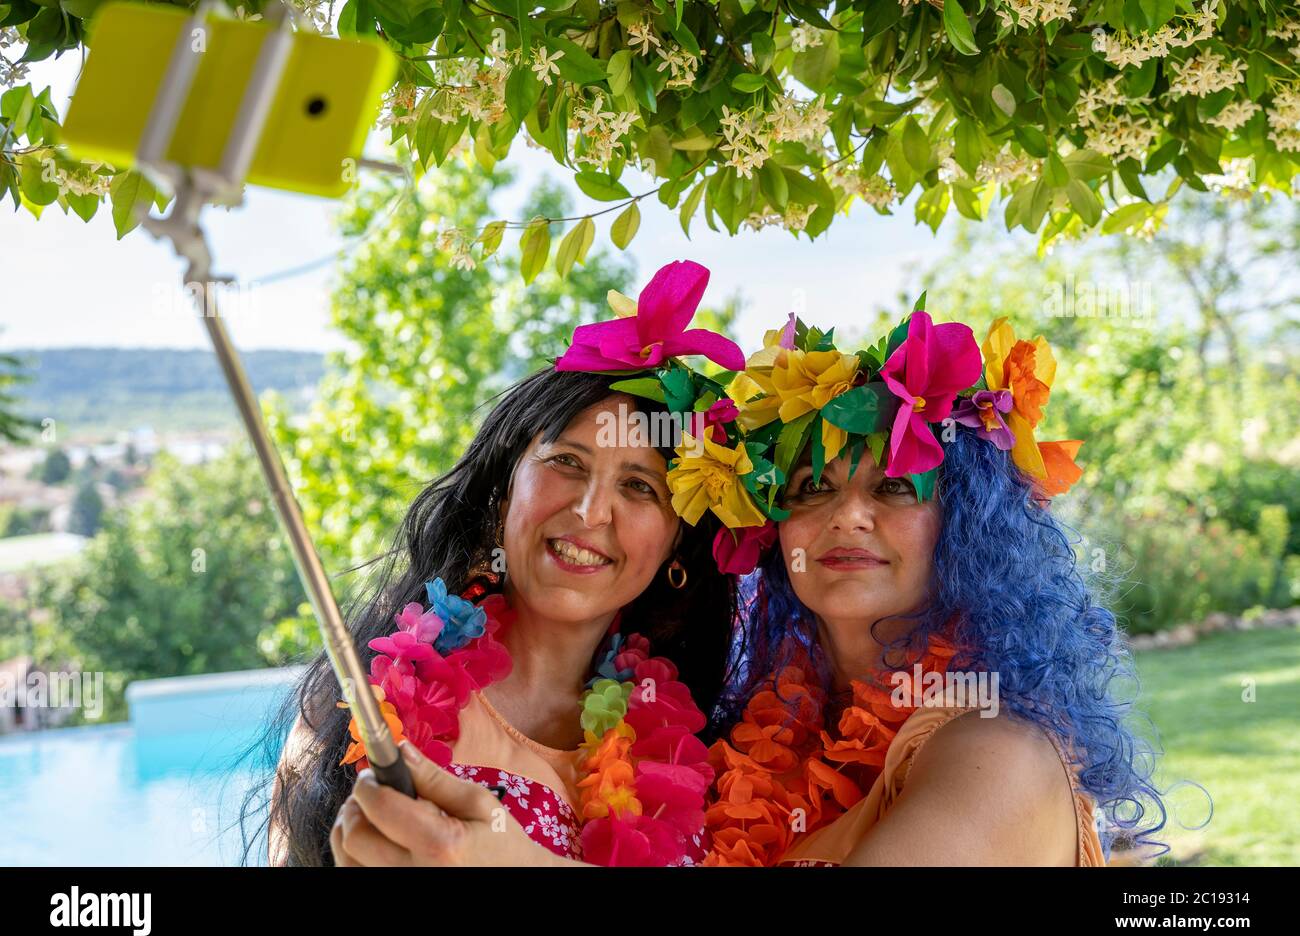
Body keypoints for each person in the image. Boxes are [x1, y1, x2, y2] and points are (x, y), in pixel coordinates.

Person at [253, 260, 779, 866]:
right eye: (567, 463)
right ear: (505, 488)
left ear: (676, 548)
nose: (590, 511)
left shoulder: (705, 752)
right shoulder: (357, 707)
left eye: (639, 487)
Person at [704, 310, 1164, 865]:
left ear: (968, 524)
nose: (848, 517)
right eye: (813, 487)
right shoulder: (759, 733)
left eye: (895, 485)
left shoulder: (998, 744)